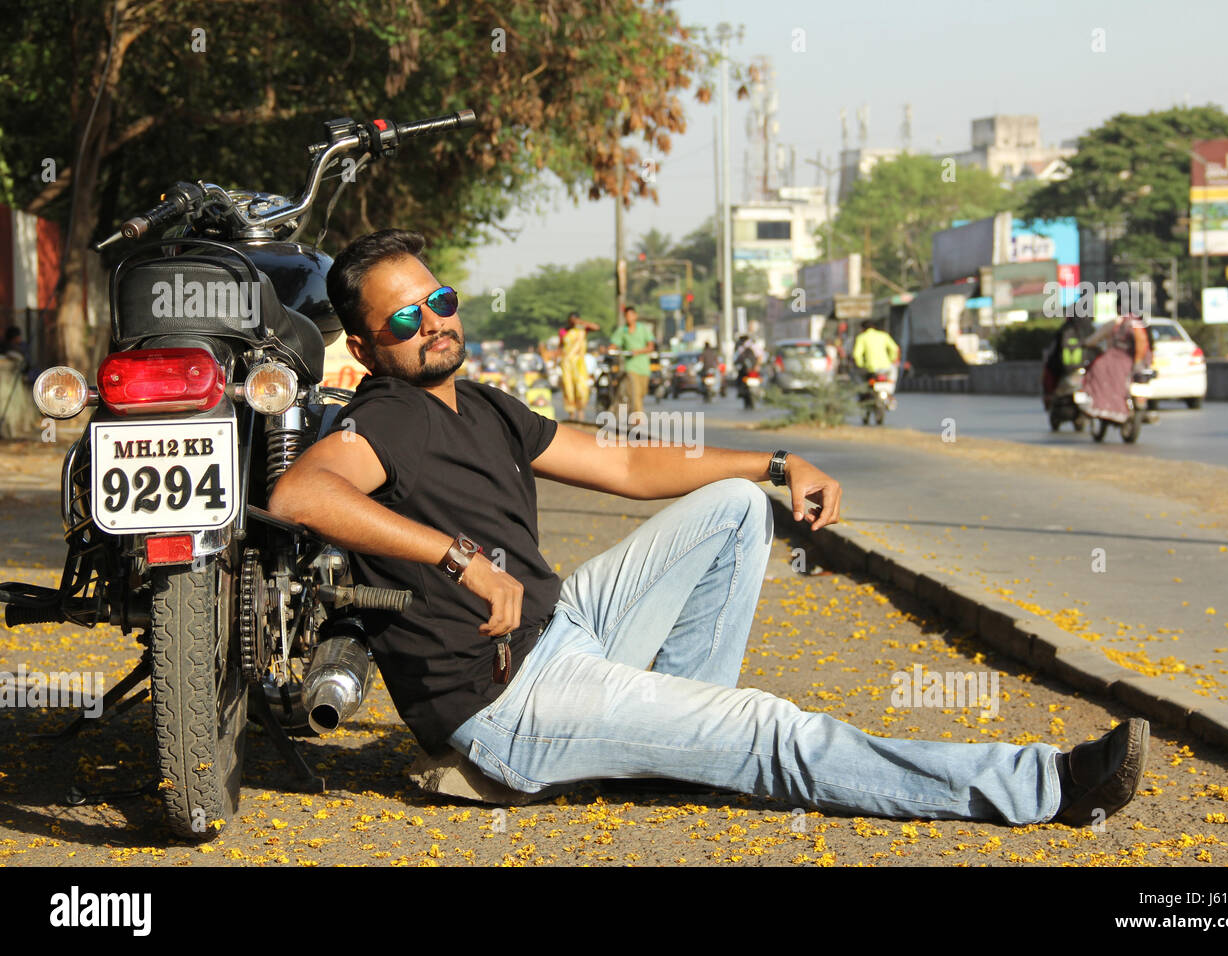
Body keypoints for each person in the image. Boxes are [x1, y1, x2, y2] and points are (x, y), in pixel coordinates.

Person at [267, 228, 1150, 828]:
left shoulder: (486, 405)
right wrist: (457, 557)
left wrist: (774, 462)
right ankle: (1045, 787)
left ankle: (678, 748)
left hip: (564, 628)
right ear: (365, 343)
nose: (436, 325)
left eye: (442, 300)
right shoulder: (379, 417)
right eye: (407, 320)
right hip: (508, 702)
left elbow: (625, 464)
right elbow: (303, 495)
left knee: (732, 508)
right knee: (770, 730)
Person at [1080, 313, 1149, 423]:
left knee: (1097, 369)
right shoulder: (1141, 324)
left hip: (1118, 361)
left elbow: (1096, 338)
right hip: (1140, 364)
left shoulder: (1117, 323)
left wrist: (1085, 343)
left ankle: (1105, 407)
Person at [609, 305, 655, 423]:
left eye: (631, 315)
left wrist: (638, 351)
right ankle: (638, 421)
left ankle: (634, 415)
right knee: (634, 393)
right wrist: (608, 350)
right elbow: (613, 344)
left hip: (643, 367)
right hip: (631, 367)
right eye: (626, 316)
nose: (629, 318)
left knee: (641, 394)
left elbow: (651, 346)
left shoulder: (643, 329)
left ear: (635, 316)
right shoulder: (622, 331)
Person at [1041, 315, 1092, 410]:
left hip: (1064, 368)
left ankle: (1049, 398)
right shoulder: (1089, 328)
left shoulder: (1064, 329)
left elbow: (1054, 351)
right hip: (1085, 366)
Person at [559, 311, 599, 422]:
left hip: (579, 363)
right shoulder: (563, 331)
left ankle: (581, 411)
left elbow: (596, 327)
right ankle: (571, 413)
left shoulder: (582, 329)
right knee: (568, 388)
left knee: (581, 388)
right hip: (567, 364)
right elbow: (560, 346)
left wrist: (581, 322)